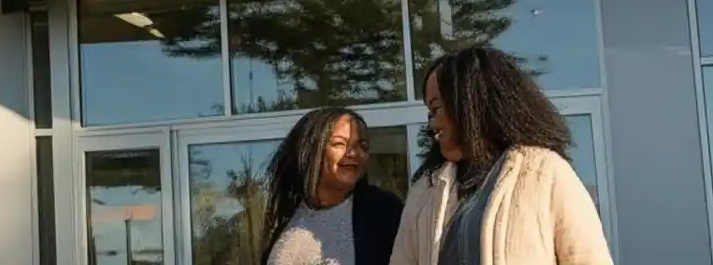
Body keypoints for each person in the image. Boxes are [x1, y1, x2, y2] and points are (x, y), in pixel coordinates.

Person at [390, 46, 613, 265]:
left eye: (436, 108)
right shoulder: (424, 193)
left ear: (470, 105)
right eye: (429, 112)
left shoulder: (546, 173)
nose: (431, 123)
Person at [261, 106, 404, 265]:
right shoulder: (286, 217)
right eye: (339, 144)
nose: (353, 153)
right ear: (311, 151)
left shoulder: (382, 212)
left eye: (362, 146)